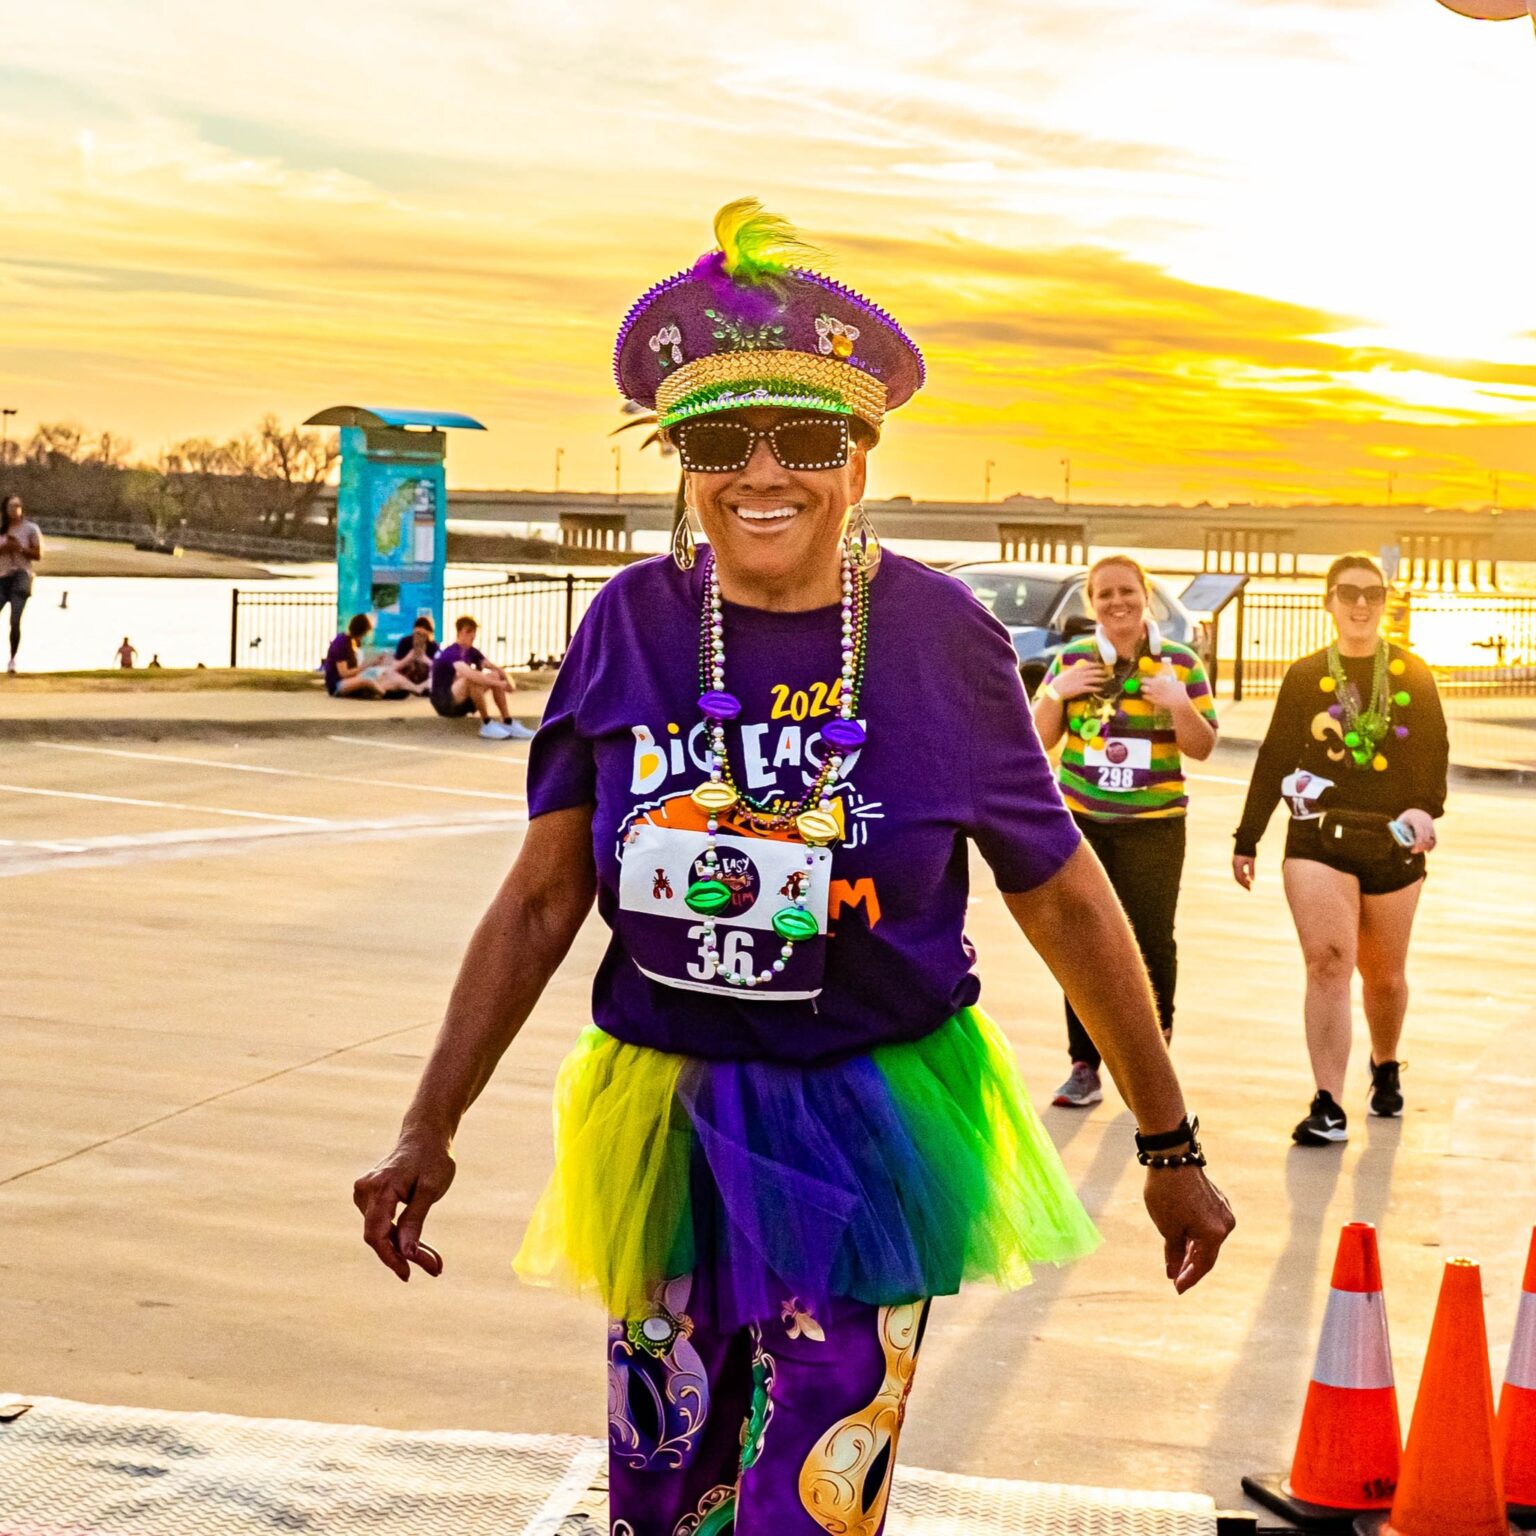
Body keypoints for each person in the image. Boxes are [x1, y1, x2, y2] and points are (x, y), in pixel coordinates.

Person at [354, 201, 1233, 1536]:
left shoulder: (946, 642)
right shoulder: (627, 627)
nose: (762, 473)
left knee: (811, 1510)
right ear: (683, 467)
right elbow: (543, 898)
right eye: (717, 439)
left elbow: (1059, 890)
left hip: (873, 1128)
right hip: (667, 1121)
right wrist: (430, 1121)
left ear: (862, 462)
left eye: (807, 438)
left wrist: (1166, 1138)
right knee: (661, 1495)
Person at [1232, 554, 1448, 1146]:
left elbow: (1434, 754)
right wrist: (1248, 835)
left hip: (1392, 840)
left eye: (1372, 594)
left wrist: (1425, 808)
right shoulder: (1305, 676)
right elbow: (1275, 755)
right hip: (1317, 837)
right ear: (1328, 600)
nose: (1360, 604)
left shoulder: (1414, 673)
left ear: (1385, 602)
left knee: (1384, 975)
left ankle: (1385, 1063)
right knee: (1328, 962)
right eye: (1348, 593)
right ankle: (1327, 1103)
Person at [1031, 555, 1218, 1109]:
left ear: (1147, 596)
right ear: (1092, 604)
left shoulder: (1179, 662)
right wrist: (1054, 693)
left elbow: (1202, 747)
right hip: (1083, 823)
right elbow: (1038, 740)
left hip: (1155, 825)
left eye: (1127, 592)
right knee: (1080, 940)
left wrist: (1178, 701)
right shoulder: (1074, 659)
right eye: (1105, 594)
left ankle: (1154, 1056)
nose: (1117, 603)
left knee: (1153, 939)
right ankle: (1084, 1064)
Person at [430, 616, 533, 740]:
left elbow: (493, 668)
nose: (472, 636)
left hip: (462, 701)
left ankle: (508, 721)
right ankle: (486, 723)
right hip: (445, 703)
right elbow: (469, 674)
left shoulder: (472, 651)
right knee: (472, 679)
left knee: (493, 675)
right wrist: (499, 684)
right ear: (462, 632)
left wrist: (508, 681)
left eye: (473, 633)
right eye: (470, 632)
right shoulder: (451, 652)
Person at [323, 613, 420, 700]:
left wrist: (373, 664)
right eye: (365, 633)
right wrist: (366, 666)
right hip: (338, 685)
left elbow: (355, 671)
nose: (364, 637)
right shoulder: (341, 643)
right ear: (361, 631)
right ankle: (385, 693)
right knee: (367, 681)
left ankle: (403, 689)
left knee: (383, 673)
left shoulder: (350, 642)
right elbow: (343, 674)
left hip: (349, 680)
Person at [0, 493, 42, 675]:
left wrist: (20, 548)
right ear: (5, 509)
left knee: (15, 620)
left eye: (17, 506)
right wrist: (4, 548)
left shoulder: (30, 529)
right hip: (2, 576)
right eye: (11, 507)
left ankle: (12, 659)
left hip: (21, 576)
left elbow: (38, 554)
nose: (15, 510)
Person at [394, 615, 440, 689]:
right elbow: (394, 667)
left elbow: (440, 669)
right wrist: (409, 658)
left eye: (423, 635)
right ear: (413, 631)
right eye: (418, 634)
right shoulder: (405, 642)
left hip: (425, 681)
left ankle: (418, 688)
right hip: (405, 679)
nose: (420, 638)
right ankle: (414, 688)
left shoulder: (433, 646)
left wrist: (425, 660)